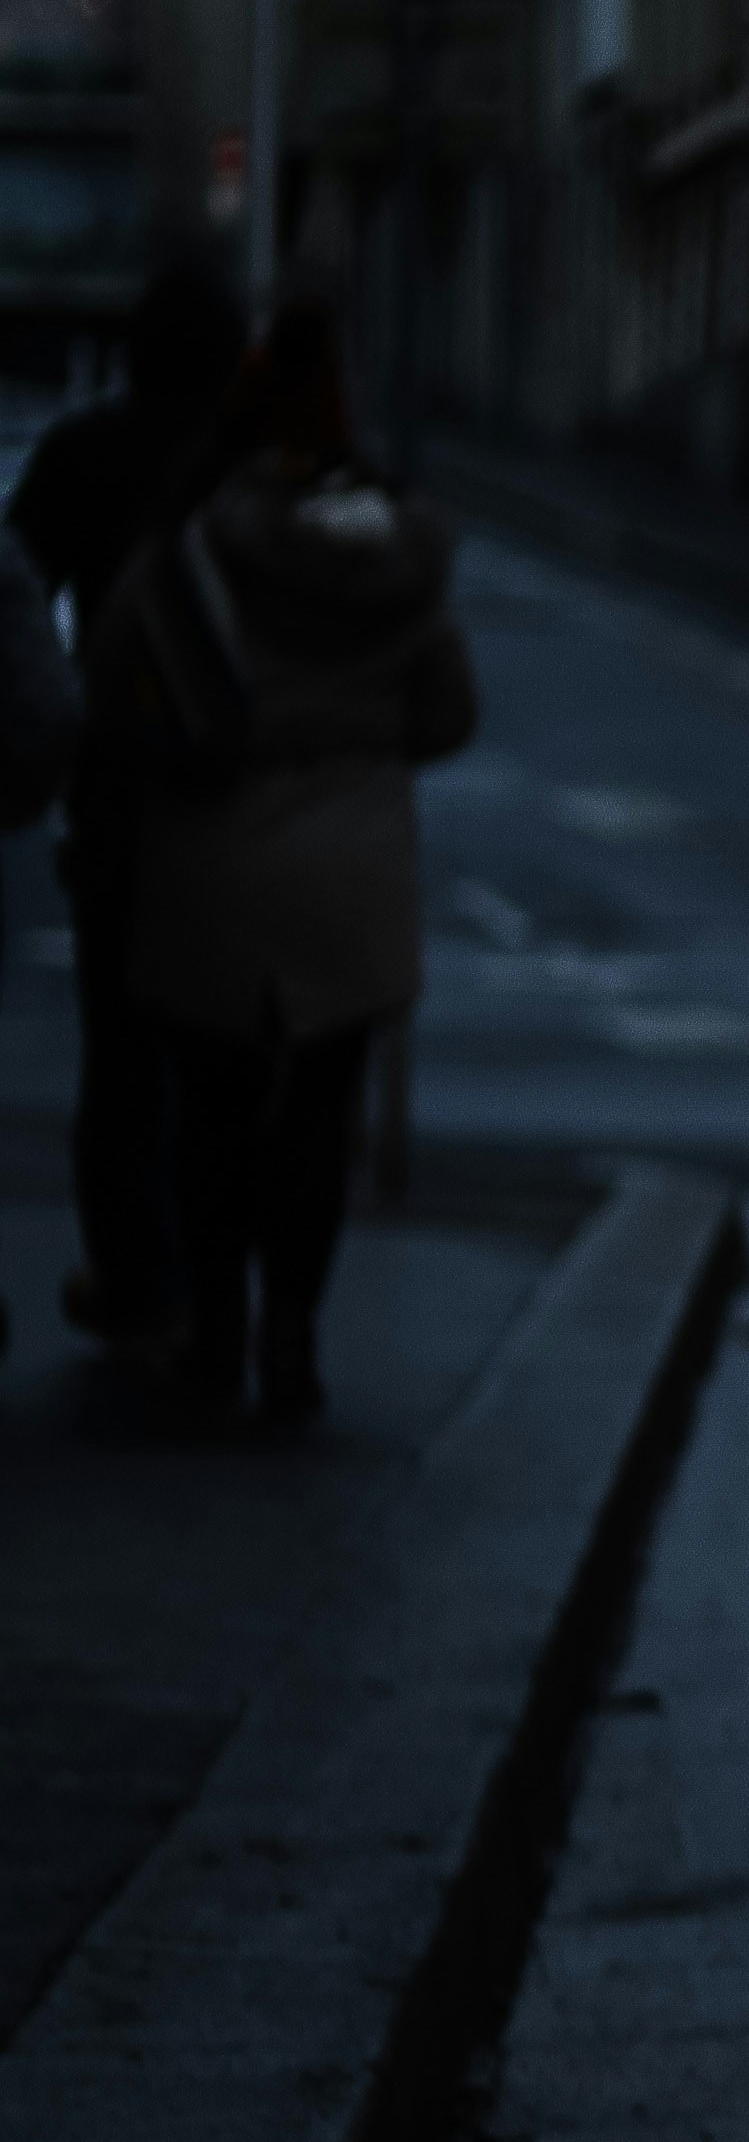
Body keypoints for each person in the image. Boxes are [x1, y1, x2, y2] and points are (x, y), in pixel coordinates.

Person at [74, 293, 473, 1434]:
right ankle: (294, 1336)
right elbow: (448, 713)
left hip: (212, 859)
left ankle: (216, 1332)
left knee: (209, 1109)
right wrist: (356, 744)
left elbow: (110, 683)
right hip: (354, 874)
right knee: (317, 1120)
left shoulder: (193, 547)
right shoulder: (393, 555)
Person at [8, 252, 256, 1356]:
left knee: (122, 1048)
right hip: (251, 793)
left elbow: (18, 612)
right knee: (234, 1057)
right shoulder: (259, 469)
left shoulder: (80, 455)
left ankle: (132, 1271)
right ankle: (233, 1292)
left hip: (121, 786)